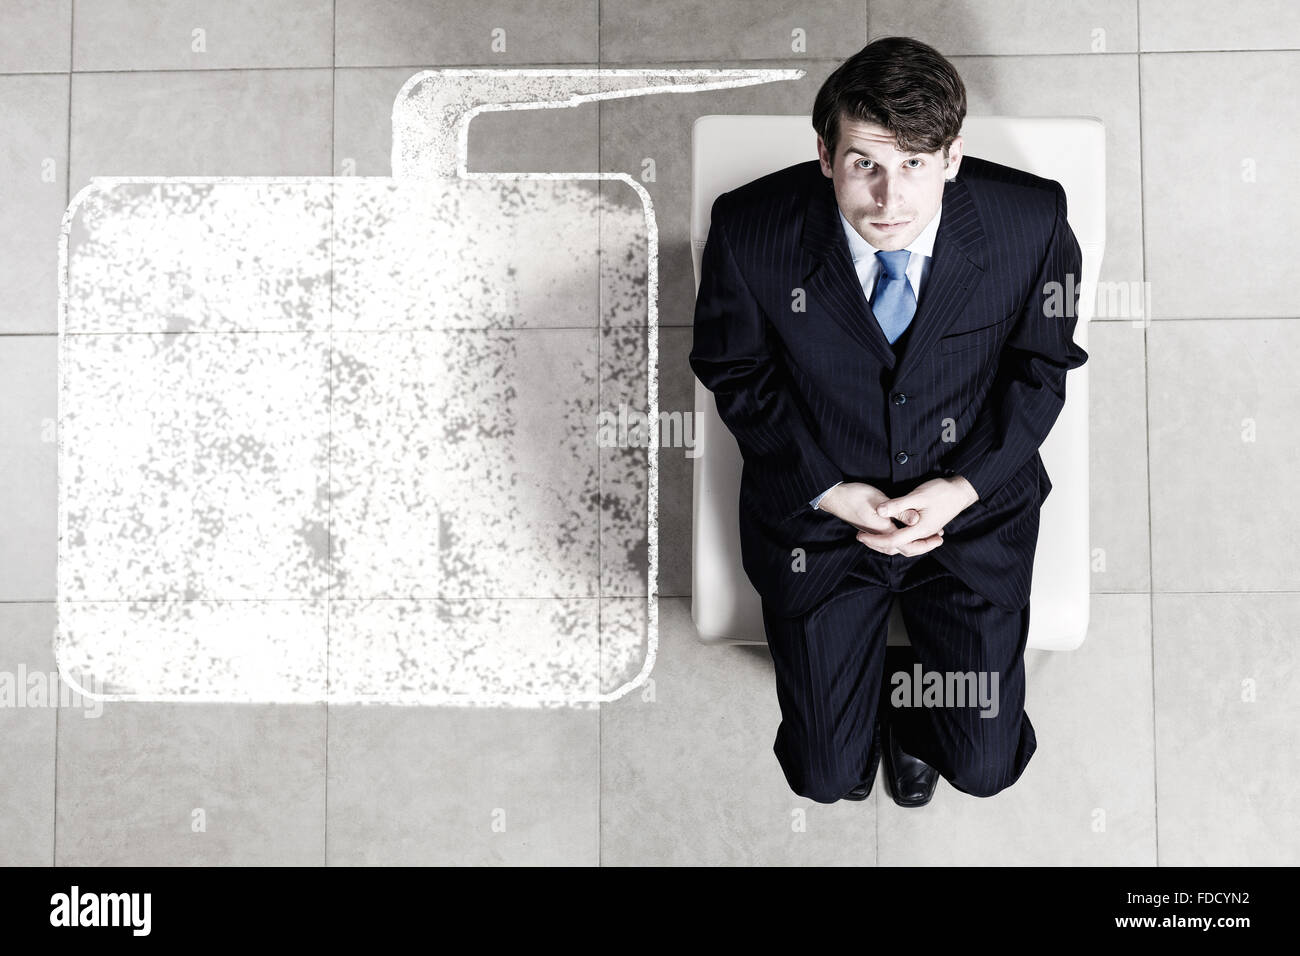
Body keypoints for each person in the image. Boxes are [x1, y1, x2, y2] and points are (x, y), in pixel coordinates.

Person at [689, 36, 1088, 806]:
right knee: (826, 777)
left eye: (914, 164)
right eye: (864, 162)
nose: (889, 199)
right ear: (825, 155)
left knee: (984, 767)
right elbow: (735, 371)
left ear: (953, 157)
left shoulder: (1032, 222)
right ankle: (859, 698)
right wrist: (830, 490)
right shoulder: (750, 231)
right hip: (822, 515)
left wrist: (962, 488)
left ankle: (911, 710)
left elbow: (1041, 370)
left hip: (969, 514)